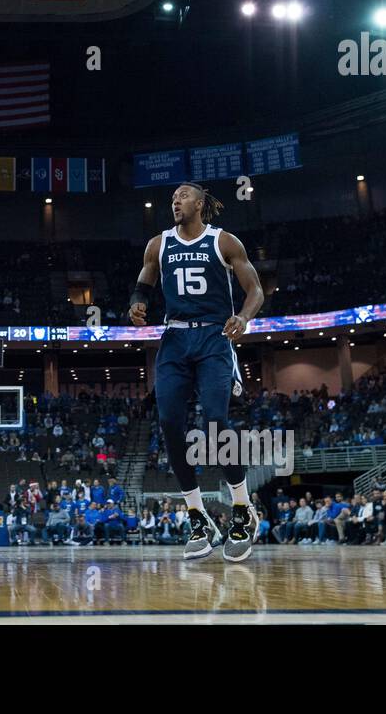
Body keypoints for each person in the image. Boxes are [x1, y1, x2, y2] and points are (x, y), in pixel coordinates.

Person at [129, 181, 266, 562]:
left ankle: (241, 509)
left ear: (201, 203)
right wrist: (137, 305)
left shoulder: (224, 242)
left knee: (215, 424)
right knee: (171, 423)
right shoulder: (158, 244)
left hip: (213, 338)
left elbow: (255, 290)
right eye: (173, 197)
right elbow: (143, 284)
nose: (175, 200)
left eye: (183, 196)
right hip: (174, 339)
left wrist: (244, 316)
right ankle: (198, 518)